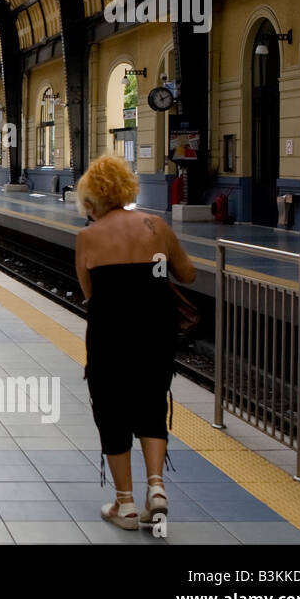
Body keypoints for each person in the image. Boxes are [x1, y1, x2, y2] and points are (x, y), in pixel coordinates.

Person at [74, 155, 195, 531]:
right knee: (150, 404)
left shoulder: (88, 237)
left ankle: (124, 505)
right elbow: (187, 274)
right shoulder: (155, 225)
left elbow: (88, 291)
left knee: (111, 411)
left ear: (92, 200)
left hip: (110, 335)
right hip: (155, 332)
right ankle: (156, 487)